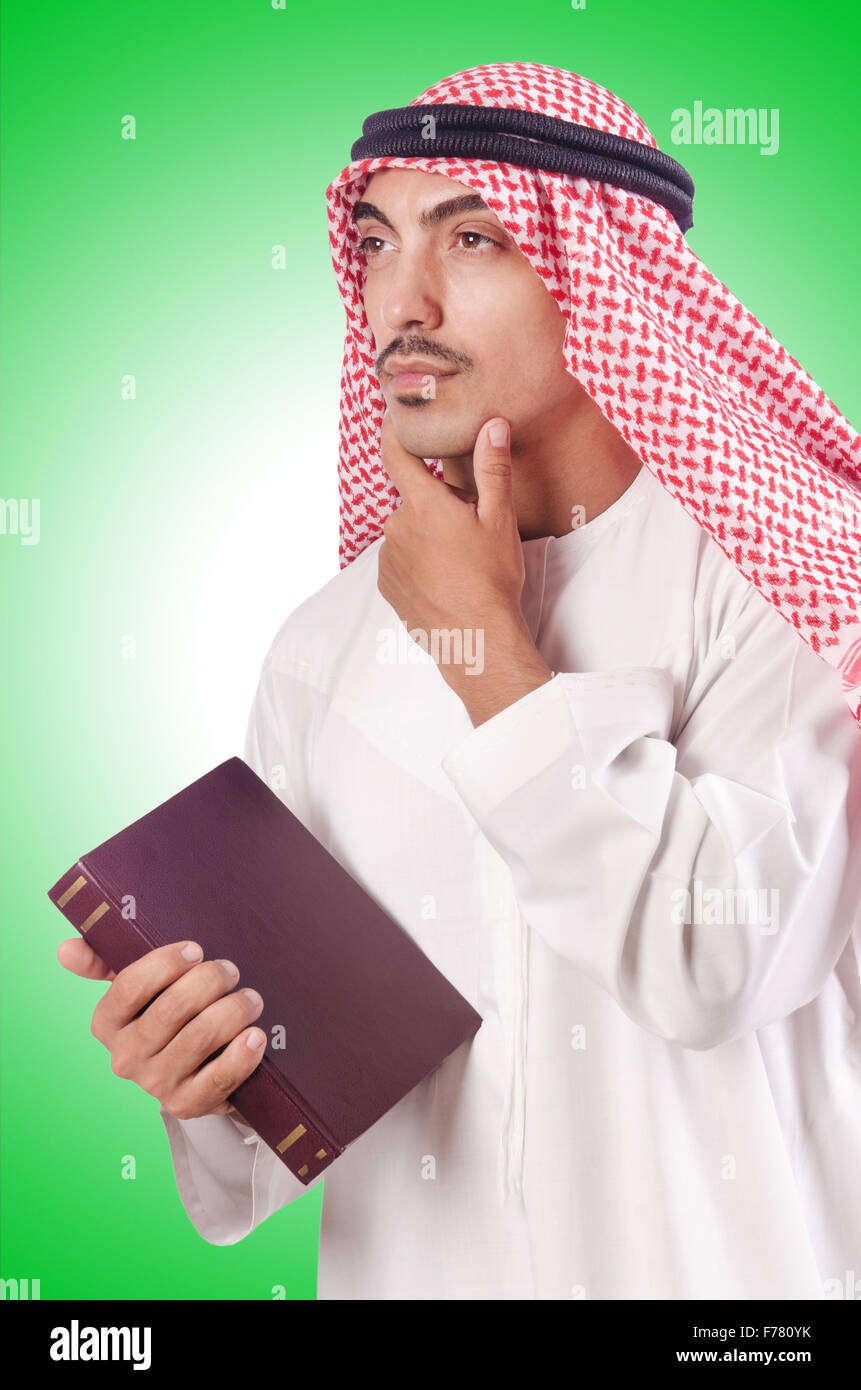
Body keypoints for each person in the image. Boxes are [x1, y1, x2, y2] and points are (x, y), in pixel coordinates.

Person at [59, 62, 861, 1300]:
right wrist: (206, 1083)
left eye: (470, 238)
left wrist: (488, 657)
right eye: (376, 245)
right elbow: (279, 1149)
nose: (402, 301)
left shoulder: (790, 584)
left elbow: (716, 968)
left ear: (607, 275)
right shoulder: (321, 645)